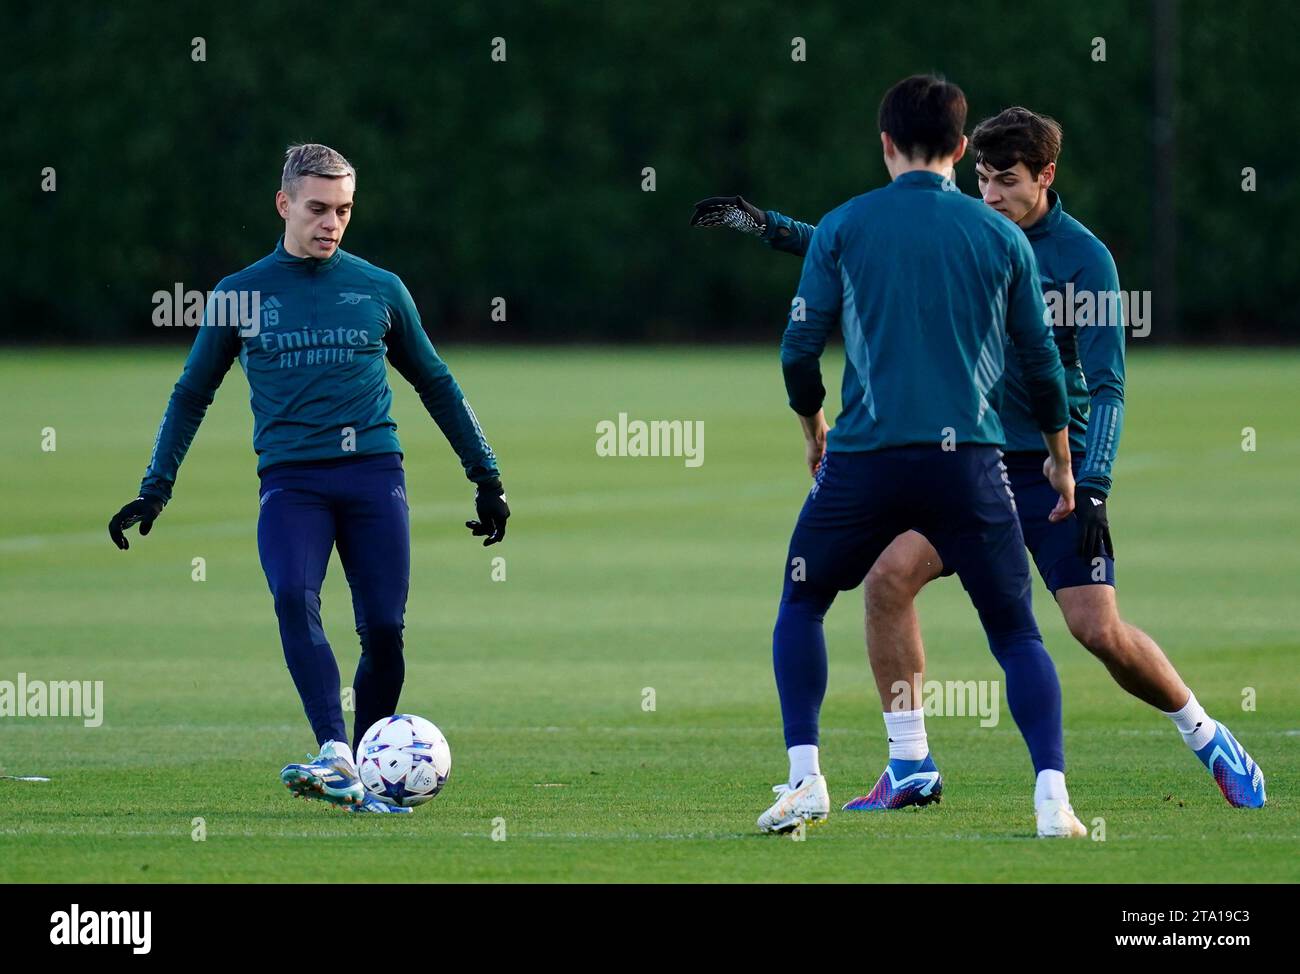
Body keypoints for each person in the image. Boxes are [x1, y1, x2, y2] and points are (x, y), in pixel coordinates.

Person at [108, 144, 510, 813]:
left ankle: (364, 771)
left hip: (374, 477)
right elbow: (191, 393)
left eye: (344, 209)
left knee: (383, 629)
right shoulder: (240, 294)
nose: (332, 222)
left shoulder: (380, 288)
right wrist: (157, 485)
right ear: (284, 204)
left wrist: (486, 475)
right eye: (319, 208)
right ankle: (336, 753)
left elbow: (436, 383)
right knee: (295, 596)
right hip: (292, 485)